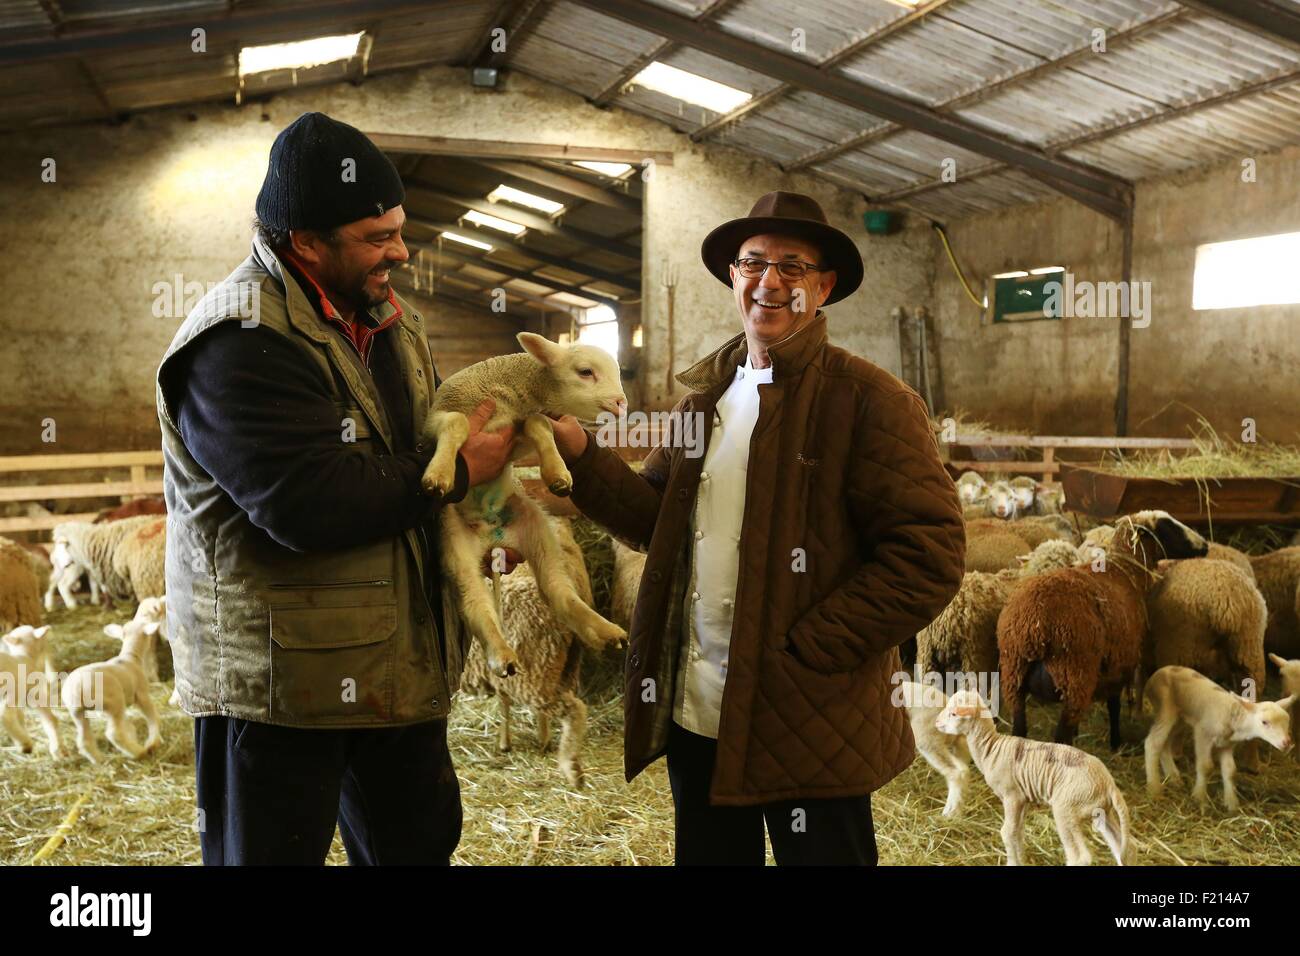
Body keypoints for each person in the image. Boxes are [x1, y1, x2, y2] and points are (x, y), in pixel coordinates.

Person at [551, 191, 966, 865]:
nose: (769, 281)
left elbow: (929, 556)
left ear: (823, 286)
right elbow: (654, 519)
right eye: (753, 263)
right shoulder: (707, 400)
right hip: (700, 712)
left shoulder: (871, 402)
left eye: (793, 267)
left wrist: (810, 650)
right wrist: (579, 450)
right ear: (733, 278)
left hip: (810, 716)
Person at [155, 112, 518, 865]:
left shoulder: (389, 318)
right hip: (282, 686)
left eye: (399, 227)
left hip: (396, 666)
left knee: (414, 851)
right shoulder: (239, 339)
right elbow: (306, 501)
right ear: (306, 242)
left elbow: (416, 448)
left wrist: (482, 506)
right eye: (376, 236)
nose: (400, 249)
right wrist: (456, 475)